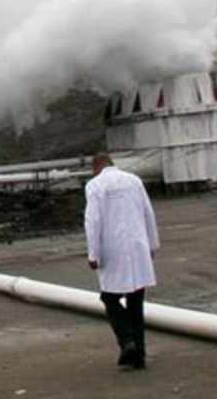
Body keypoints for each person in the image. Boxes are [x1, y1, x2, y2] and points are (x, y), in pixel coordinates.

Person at [84, 153, 159, 370]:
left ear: (95, 167)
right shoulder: (133, 180)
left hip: (112, 249)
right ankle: (139, 356)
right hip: (138, 246)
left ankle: (127, 341)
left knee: (109, 298)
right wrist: (153, 244)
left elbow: (93, 221)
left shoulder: (95, 185)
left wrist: (93, 254)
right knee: (136, 301)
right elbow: (148, 213)